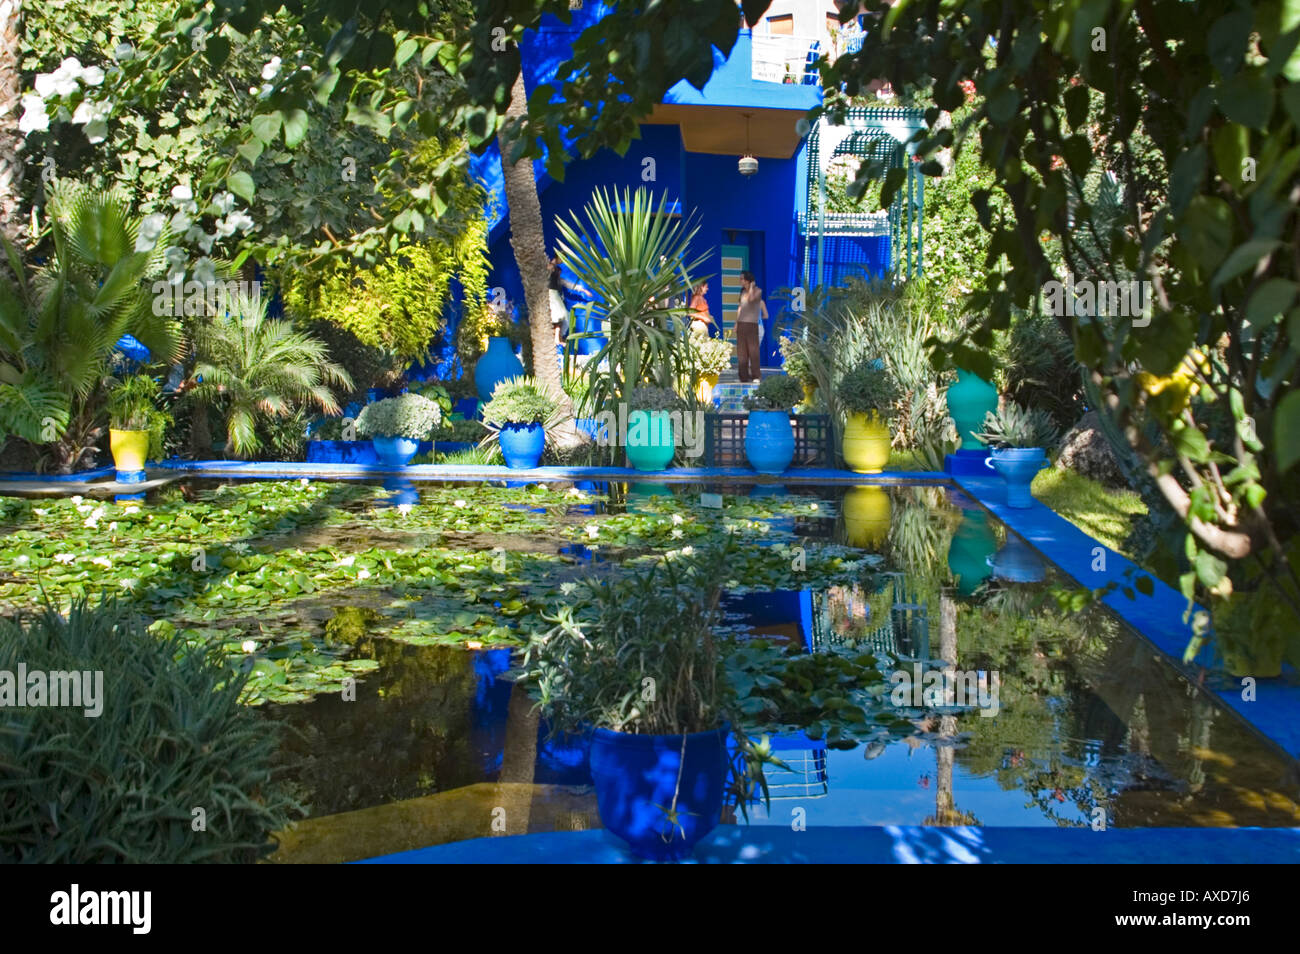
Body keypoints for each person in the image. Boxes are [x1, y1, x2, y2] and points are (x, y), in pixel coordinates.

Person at [736, 271, 767, 383]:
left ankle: (755, 375)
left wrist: (751, 287)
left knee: (753, 352)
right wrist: (736, 323)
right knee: (741, 353)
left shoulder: (757, 291)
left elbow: (751, 299)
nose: (740, 281)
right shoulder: (742, 292)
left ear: (748, 280)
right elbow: (740, 308)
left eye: (742, 279)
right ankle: (743, 376)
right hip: (742, 324)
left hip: (752, 325)